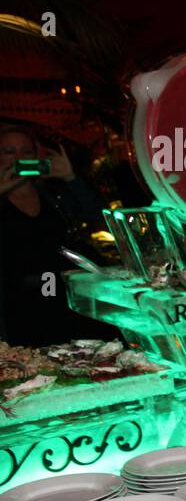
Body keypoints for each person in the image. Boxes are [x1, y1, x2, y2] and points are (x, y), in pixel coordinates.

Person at [0, 126, 107, 346]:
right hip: (11, 304)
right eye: (9, 151)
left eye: (27, 152)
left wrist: (70, 178)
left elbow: (97, 216)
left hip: (54, 293)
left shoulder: (52, 194)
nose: (19, 158)